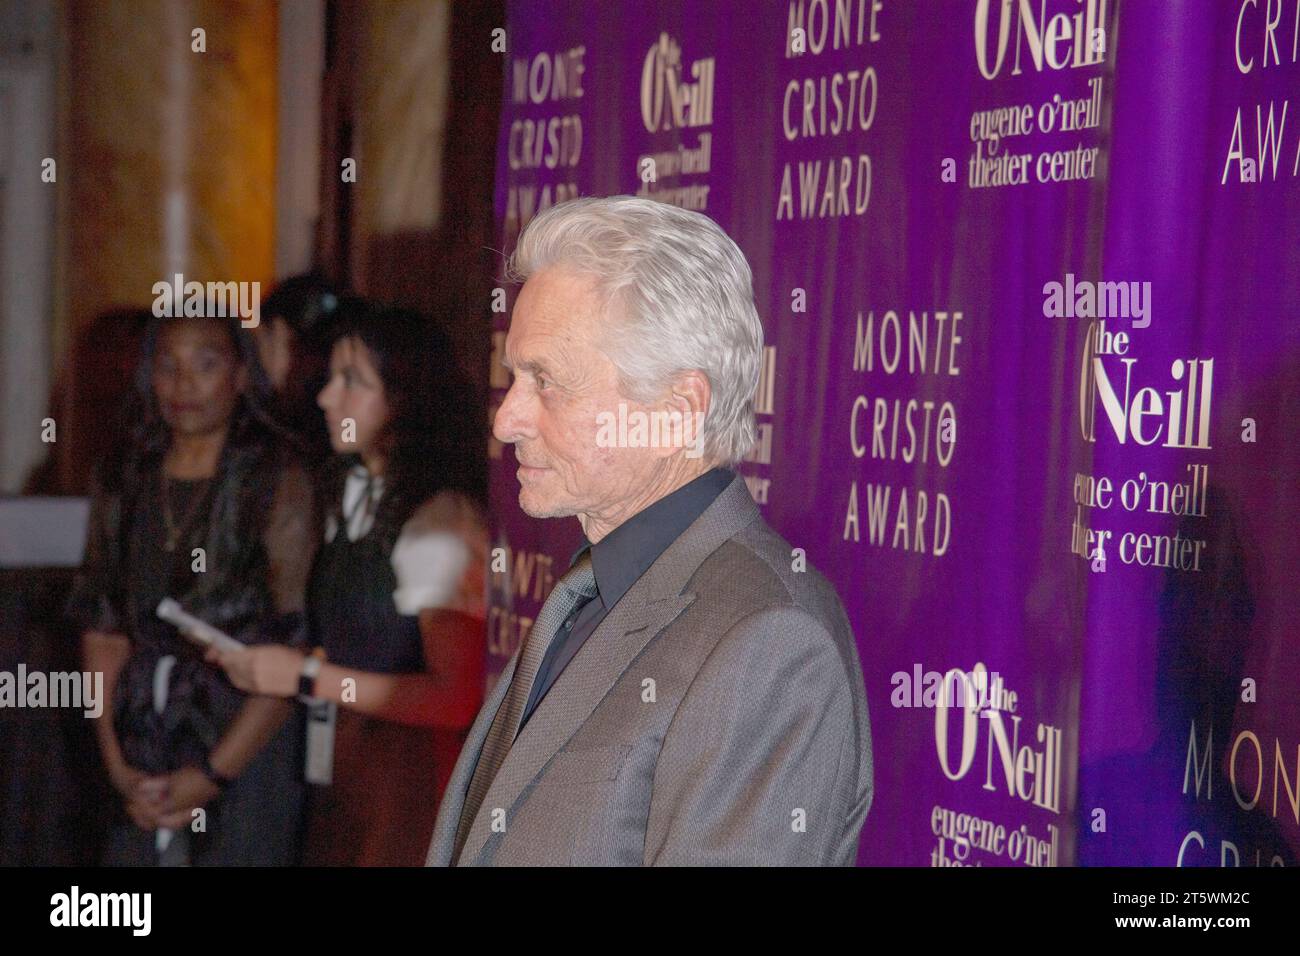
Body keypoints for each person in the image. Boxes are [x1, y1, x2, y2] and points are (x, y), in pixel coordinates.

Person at [426, 195, 874, 867]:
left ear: (676, 409)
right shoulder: (595, 586)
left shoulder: (769, 642)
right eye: (512, 376)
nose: (506, 420)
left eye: (545, 383)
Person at [210, 301, 488, 866]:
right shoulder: (353, 493)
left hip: (406, 787)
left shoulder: (438, 521)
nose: (324, 397)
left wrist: (310, 676)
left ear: (404, 397)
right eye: (331, 377)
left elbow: (456, 698)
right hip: (343, 770)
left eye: (352, 382)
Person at [69, 311, 316, 866]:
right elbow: (103, 629)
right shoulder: (124, 476)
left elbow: (290, 647)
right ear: (148, 378)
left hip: (243, 743)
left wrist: (209, 776)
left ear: (240, 375)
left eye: (206, 365)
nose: (185, 385)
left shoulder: (277, 478)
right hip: (139, 740)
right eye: (168, 366)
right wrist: (116, 763)